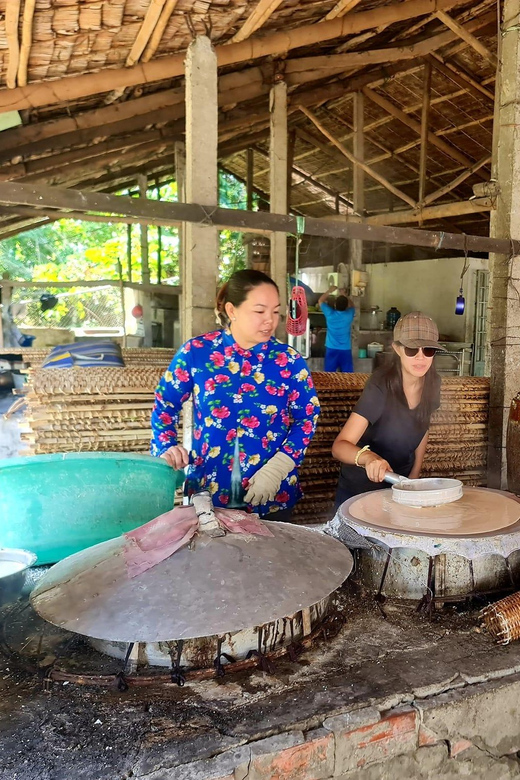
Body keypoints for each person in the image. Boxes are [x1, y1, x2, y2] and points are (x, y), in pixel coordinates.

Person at [151, 269, 320, 521]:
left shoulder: (288, 361)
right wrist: (166, 446)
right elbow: (165, 405)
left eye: (275, 311)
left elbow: (307, 418)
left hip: (271, 495)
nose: (270, 321)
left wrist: (280, 466)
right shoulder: (197, 353)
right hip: (209, 496)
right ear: (232, 311)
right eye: (260, 311)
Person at [331, 311, 446, 506]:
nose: (420, 357)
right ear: (397, 349)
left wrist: (414, 475)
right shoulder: (381, 385)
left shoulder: (433, 382)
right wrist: (368, 458)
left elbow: (423, 426)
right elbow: (339, 446)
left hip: (398, 487)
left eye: (428, 350)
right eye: (412, 349)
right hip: (360, 491)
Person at [317, 285, 355, 372]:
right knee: (348, 377)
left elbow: (320, 300)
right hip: (345, 349)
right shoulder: (349, 314)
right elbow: (352, 306)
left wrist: (329, 291)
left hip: (331, 348)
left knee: (329, 376)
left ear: (334, 305)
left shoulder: (330, 314)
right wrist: (345, 295)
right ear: (346, 307)